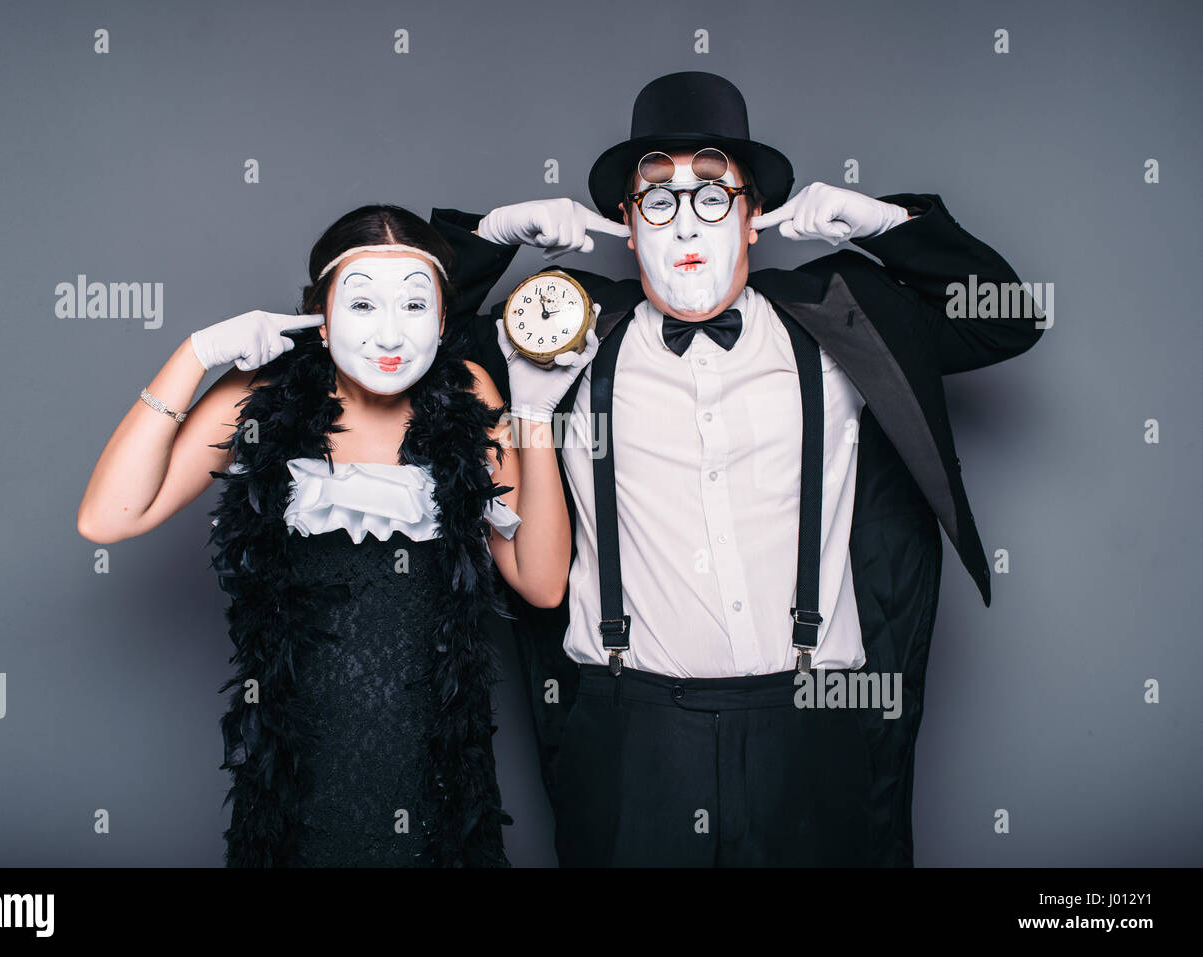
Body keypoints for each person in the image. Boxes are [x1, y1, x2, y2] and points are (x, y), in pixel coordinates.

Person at [431, 70, 1045, 866]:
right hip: (627, 733)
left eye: (714, 192)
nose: (686, 217)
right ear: (627, 221)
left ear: (753, 217)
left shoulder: (842, 313)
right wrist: (493, 235)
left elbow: (1009, 320)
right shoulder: (559, 333)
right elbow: (393, 342)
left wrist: (886, 225)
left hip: (814, 725)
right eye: (658, 195)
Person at [76, 204, 588, 866]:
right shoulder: (260, 395)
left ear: (439, 318)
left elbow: (543, 583)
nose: (389, 332)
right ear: (321, 317)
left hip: (438, 781)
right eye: (363, 305)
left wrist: (534, 416)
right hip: (299, 785)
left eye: (412, 304)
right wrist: (194, 354)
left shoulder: (471, 395)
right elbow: (108, 516)